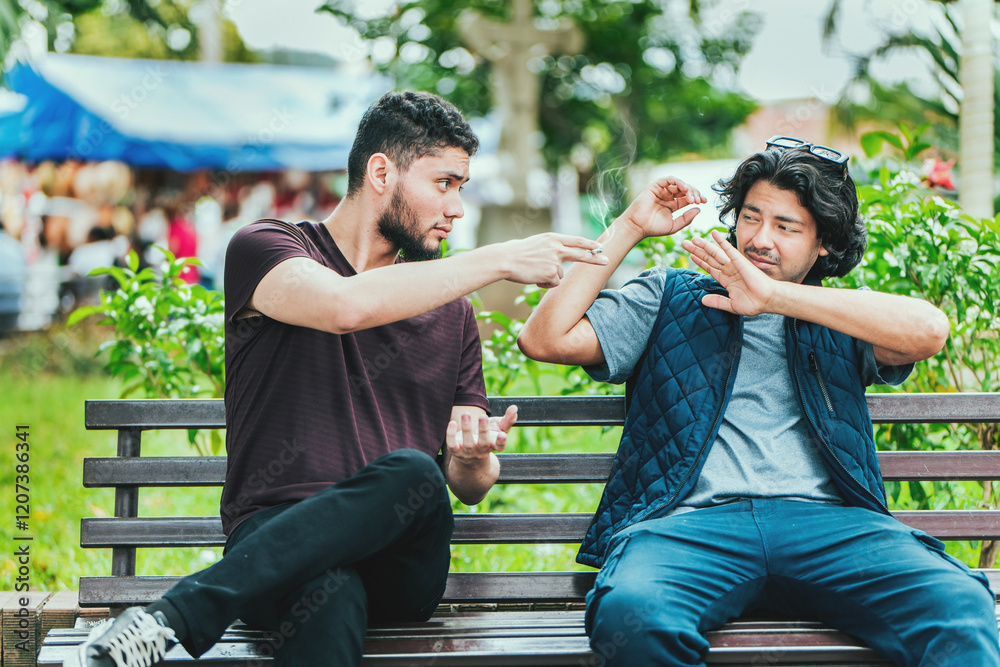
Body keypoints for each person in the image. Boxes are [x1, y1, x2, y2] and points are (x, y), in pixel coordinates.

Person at [68, 90, 609, 667]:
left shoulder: (451, 310)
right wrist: (498, 259)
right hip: (274, 540)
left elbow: (470, 485)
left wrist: (472, 456)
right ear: (381, 171)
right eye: (443, 184)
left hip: (400, 560)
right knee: (327, 591)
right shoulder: (269, 248)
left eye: (461, 188)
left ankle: (171, 619)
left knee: (411, 474)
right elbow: (342, 306)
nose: (455, 208)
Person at [516, 137, 999, 666]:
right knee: (634, 614)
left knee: (960, 608)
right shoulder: (670, 297)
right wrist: (631, 225)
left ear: (824, 243)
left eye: (786, 227)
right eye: (751, 217)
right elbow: (544, 339)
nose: (759, 239)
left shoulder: (839, 314)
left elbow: (930, 331)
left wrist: (772, 298)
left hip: (830, 530)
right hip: (689, 530)